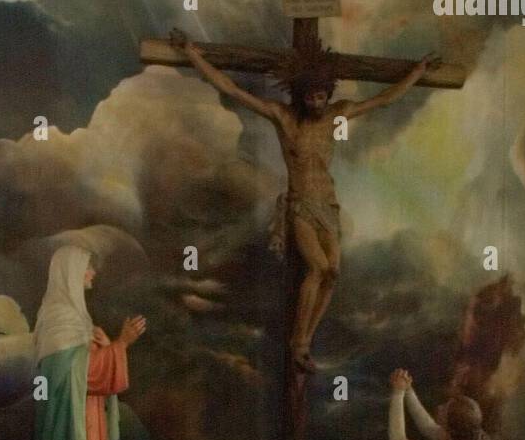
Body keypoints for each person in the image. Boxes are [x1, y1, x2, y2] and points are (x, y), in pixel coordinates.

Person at [176, 30, 439, 374]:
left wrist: (417, 72)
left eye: (321, 96)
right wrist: (193, 55)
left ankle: (306, 340)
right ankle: (298, 343)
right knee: (316, 267)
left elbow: (384, 99)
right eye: (311, 97)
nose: (317, 102)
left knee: (333, 272)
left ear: (327, 95)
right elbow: (231, 89)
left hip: (328, 205)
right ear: (301, 96)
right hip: (300, 206)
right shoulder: (282, 118)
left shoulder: (336, 115)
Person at [23, 245, 146, 440]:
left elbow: (84, 369)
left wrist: (105, 346)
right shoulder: (59, 319)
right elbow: (84, 373)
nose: (92, 273)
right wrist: (120, 345)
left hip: (86, 417)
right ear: (70, 274)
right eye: (87, 268)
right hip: (73, 424)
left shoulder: (75, 318)